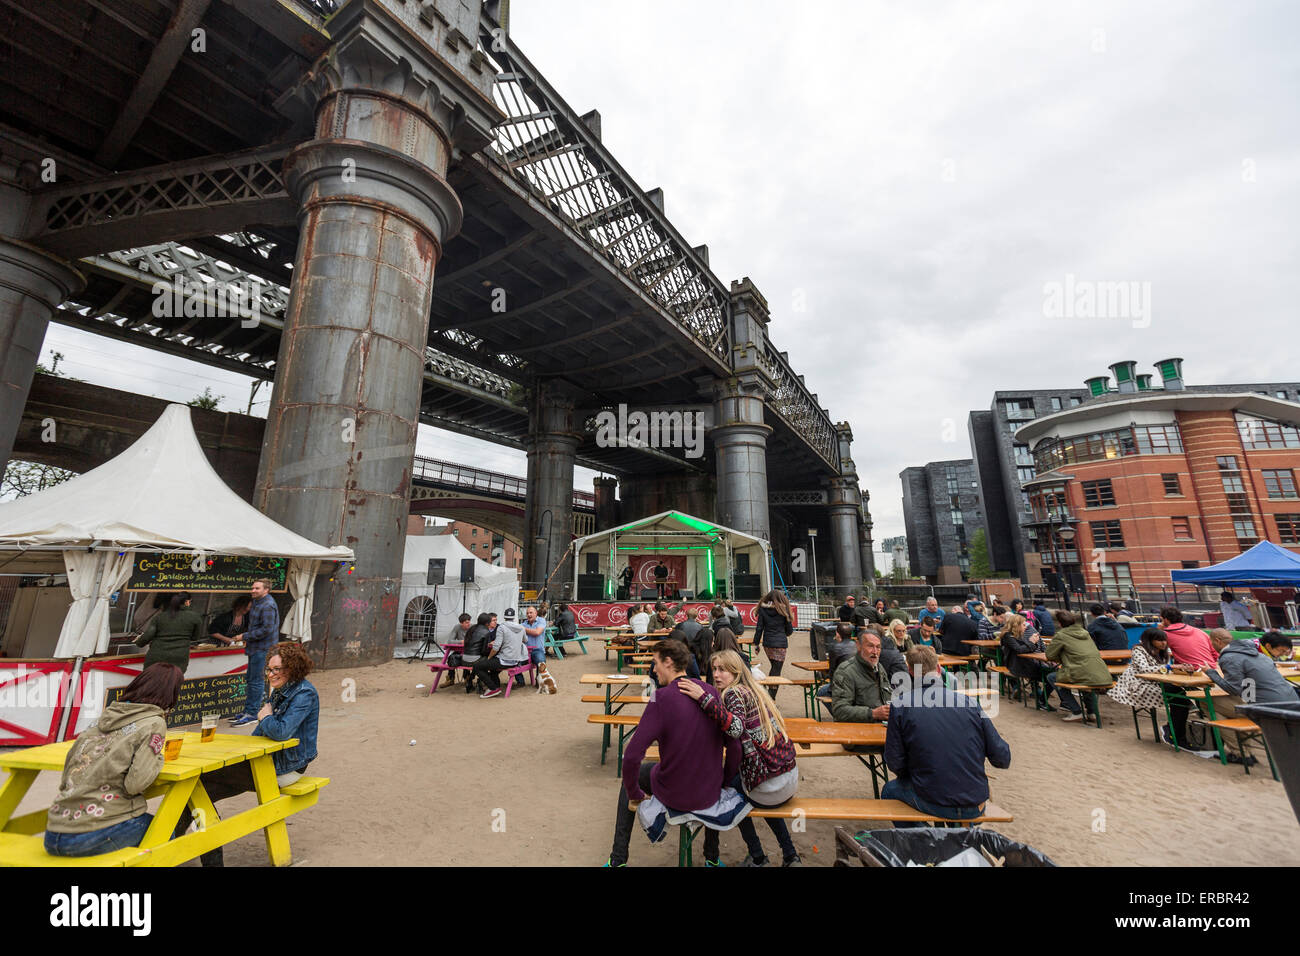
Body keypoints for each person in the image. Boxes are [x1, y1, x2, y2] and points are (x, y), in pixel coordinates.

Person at [175, 642, 320, 866]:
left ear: (292, 668)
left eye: (276, 670)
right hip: (263, 761)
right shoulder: (281, 690)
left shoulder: (304, 694)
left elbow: (281, 732)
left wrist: (265, 716)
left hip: (287, 767)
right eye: (268, 670)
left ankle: (171, 844)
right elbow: (257, 735)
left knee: (197, 785)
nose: (270, 675)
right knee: (196, 794)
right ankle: (192, 851)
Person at [605, 639, 740, 867]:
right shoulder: (711, 692)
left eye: (655, 662)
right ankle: (712, 858)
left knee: (635, 778)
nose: (653, 669)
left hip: (674, 792)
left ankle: (618, 859)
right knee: (708, 768)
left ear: (668, 662)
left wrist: (634, 792)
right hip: (709, 793)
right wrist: (723, 783)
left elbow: (631, 756)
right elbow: (735, 748)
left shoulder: (660, 697)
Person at [45, 663, 185, 857]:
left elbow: (69, 769)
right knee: (165, 833)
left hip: (54, 832)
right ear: (172, 693)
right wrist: (158, 759)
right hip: (91, 834)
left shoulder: (104, 717)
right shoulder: (154, 723)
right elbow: (135, 784)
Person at [679, 650, 802, 866]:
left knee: (733, 798)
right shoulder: (755, 690)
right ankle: (790, 855)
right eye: (714, 669)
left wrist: (703, 698)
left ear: (735, 672)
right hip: (788, 779)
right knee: (752, 787)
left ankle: (757, 857)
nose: (716, 675)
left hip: (771, 788)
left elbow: (735, 728)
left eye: (723, 670)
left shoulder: (733, 694)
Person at [882, 645, 1011, 824]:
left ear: (910, 672)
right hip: (974, 801)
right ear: (939, 669)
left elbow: (895, 763)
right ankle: (951, 838)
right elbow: (1003, 758)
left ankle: (921, 841)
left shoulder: (901, 705)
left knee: (889, 790)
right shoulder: (970, 703)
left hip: (933, 797)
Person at [228, 579, 280, 727]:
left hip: (262, 648)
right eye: (252, 588)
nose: (253, 590)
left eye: (257, 588)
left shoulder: (268, 605)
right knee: (251, 679)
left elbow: (267, 629)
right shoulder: (258, 602)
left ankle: (252, 713)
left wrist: (244, 636)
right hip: (255, 647)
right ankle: (248, 711)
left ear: (266, 590)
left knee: (256, 681)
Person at [1044, 609, 1111, 721]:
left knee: (1052, 677)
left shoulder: (1061, 635)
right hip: (1101, 673)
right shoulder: (1085, 633)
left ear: (1060, 624)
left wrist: (1062, 658)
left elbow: (1049, 655)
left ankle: (1076, 711)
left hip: (1079, 672)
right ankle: (1091, 712)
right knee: (1087, 680)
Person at [1204, 628, 1299, 706]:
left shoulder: (1229, 657)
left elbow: (1233, 689)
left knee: (1207, 702)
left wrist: (1210, 672)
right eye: (1281, 651)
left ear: (1217, 641)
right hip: (1293, 703)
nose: (1281, 655)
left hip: (1270, 708)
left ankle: (1245, 728)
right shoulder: (1262, 656)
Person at [830, 629, 891, 725]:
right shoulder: (845, 671)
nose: (875, 651)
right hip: (860, 729)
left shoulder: (879, 667)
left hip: (883, 726)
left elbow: (887, 696)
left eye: (878, 647)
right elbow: (839, 711)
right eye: (870, 646)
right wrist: (872, 713)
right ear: (858, 646)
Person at [1108, 627, 1174, 714]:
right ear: (1149, 640)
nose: (1163, 643)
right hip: (1138, 684)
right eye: (1159, 640)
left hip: (1156, 681)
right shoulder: (1138, 650)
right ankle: (1173, 723)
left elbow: (1165, 669)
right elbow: (1144, 669)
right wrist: (1169, 667)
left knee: (1177, 692)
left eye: (1165, 640)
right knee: (1174, 695)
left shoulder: (1163, 652)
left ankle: (1175, 722)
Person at [135, 591, 203, 670]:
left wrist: (138, 642)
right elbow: (195, 637)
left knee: (152, 680)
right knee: (173, 680)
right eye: (190, 601)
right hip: (179, 657)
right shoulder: (195, 617)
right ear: (187, 602)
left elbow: (146, 637)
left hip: (156, 656)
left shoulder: (160, 617)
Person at [999, 613, 1052, 709]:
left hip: (1025, 664)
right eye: (1023, 624)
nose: (1026, 626)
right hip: (1016, 666)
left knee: (1052, 674)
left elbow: (1028, 649)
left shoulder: (1019, 634)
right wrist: (1031, 642)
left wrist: (1034, 642)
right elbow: (1019, 650)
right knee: (1051, 676)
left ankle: (1042, 699)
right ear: (1016, 625)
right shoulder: (1007, 636)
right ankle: (1042, 701)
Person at [472, 612, 529, 698]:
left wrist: (489, 657)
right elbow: (525, 640)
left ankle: (493, 688)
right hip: (516, 660)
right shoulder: (521, 627)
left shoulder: (501, 627)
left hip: (504, 660)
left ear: (504, 617)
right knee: (493, 669)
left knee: (477, 666)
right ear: (514, 617)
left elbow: (496, 647)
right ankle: (496, 687)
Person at [753, 589, 794, 699]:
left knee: (774, 667)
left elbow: (759, 628)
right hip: (780, 643)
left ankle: (769, 692)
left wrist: (756, 644)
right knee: (776, 670)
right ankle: (771, 697)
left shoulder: (762, 609)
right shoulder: (784, 610)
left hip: (768, 643)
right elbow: (789, 631)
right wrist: (783, 632)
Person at [458, 612, 493, 694]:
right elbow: (484, 651)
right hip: (475, 661)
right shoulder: (486, 632)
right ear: (487, 623)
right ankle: (480, 682)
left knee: (479, 662)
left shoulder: (471, 628)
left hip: (464, 660)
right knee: (487, 661)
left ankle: (469, 680)